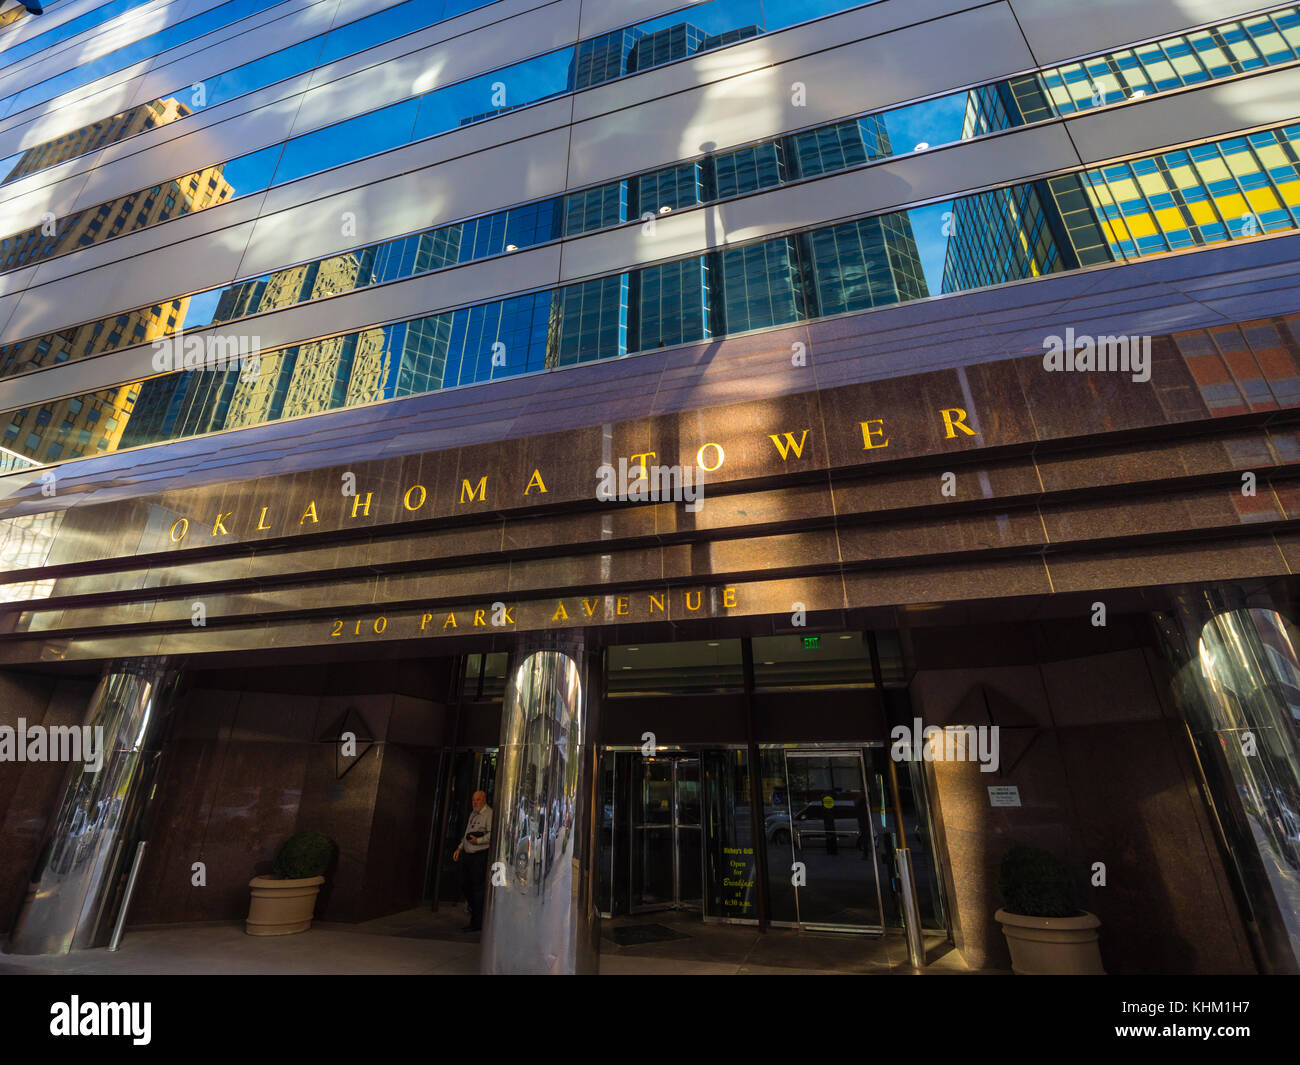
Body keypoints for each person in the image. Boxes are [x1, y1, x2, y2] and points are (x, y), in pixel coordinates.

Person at [452, 790, 492, 932]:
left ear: (484, 800)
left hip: (479, 856)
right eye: (473, 800)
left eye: (478, 800)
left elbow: (491, 834)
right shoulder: (472, 814)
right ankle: (474, 910)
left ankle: (477, 921)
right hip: (468, 855)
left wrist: (478, 840)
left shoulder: (489, 814)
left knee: (478, 889)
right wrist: (459, 848)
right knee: (464, 884)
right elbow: (466, 833)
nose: (475, 802)